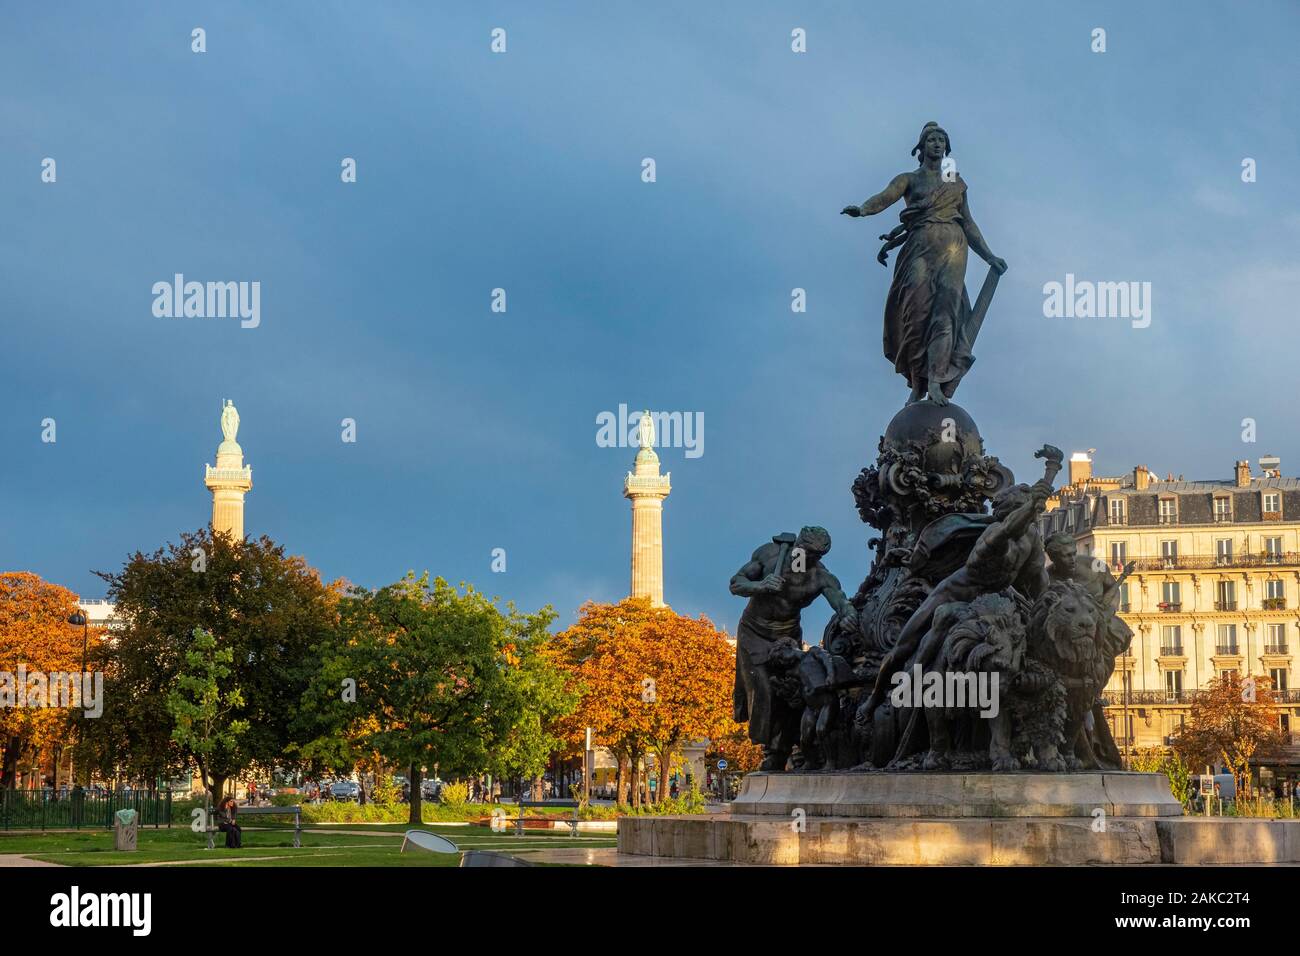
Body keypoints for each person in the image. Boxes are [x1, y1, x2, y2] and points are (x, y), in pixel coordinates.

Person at [841, 121, 1009, 406]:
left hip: (954, 245)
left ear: (947, 147)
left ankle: (935, 380)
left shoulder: (956, 182)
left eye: (941, 139)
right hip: (919, 246)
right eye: (931, 139)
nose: (937, 143)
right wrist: (863, 210)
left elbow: (968, 223)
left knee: (946, 313)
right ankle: (916, 384)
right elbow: (886, 197)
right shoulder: (909, 178)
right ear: (920, 147)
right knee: (916, 314)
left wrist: (989, 255)